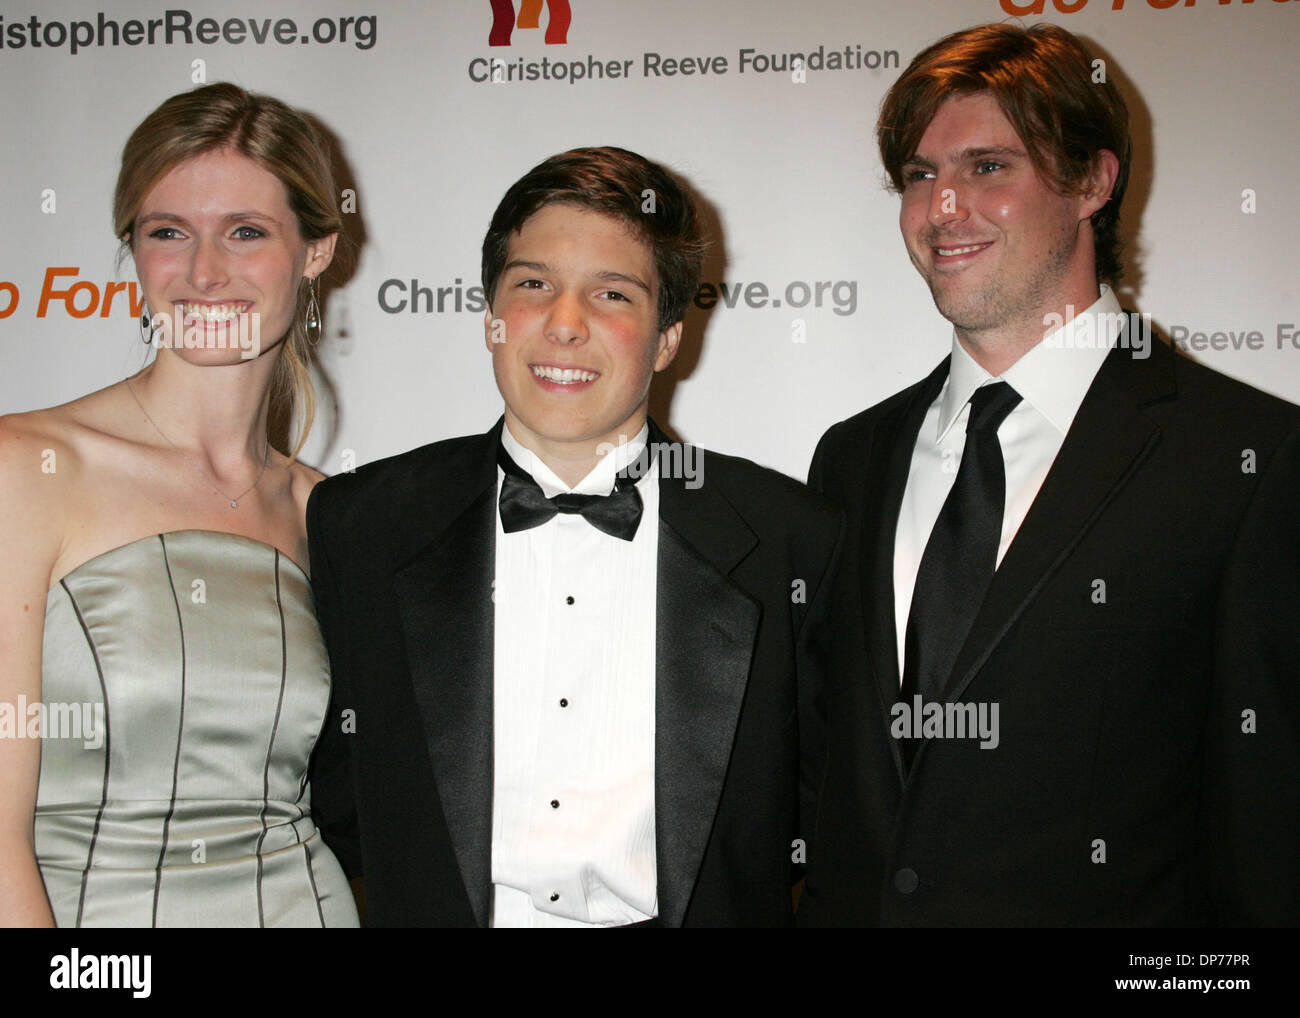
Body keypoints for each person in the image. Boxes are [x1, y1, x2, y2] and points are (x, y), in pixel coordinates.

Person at [800, 23, 1299, 926]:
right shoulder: (852, 457)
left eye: (988, 167)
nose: (942, 207)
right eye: (920, 175)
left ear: (1093, 182)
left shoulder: (1248, 460)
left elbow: (1269, 828)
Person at [307, 146, 841, 927]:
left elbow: (819, 816)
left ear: (664, 339)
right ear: (490, 317)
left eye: (612, 295)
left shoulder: (788, 539)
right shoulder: (363, 523)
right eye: (533, 285)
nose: (565, 325)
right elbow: (340, 800)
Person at [0, 83, 359, 927]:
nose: (204, 272)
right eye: (169, 233)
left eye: (246, 232)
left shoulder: (331, 513)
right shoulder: (30, 470)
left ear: (316, 250)